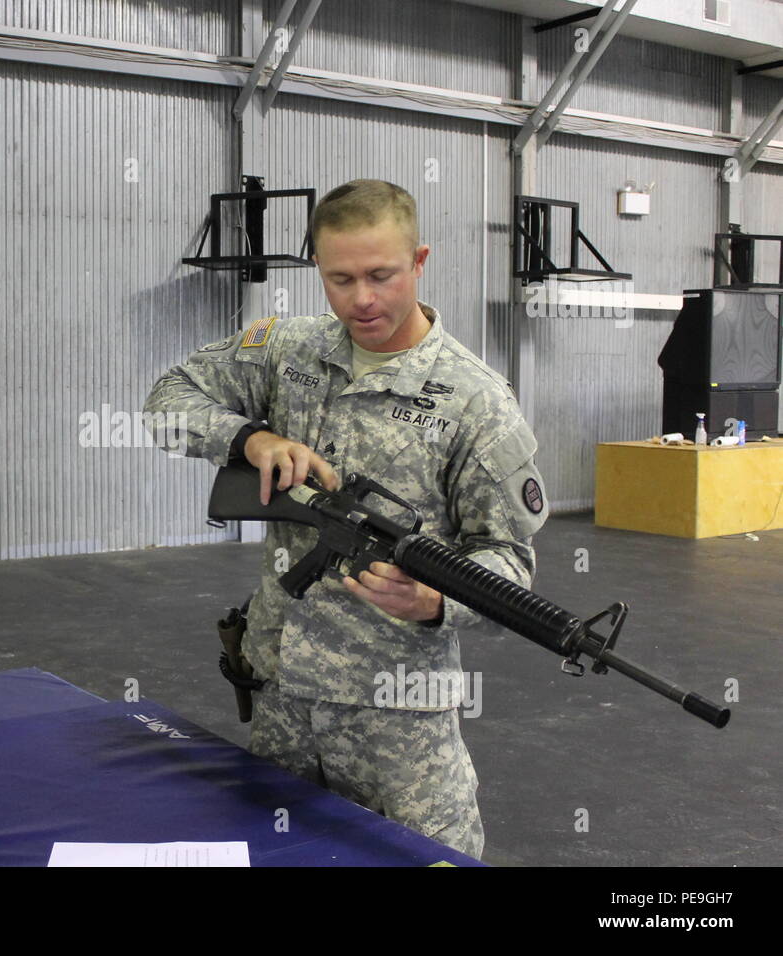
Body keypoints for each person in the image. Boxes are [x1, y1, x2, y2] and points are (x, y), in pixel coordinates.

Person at [144, 179, 549, 858]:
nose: (361, 299)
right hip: (281, 692)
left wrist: (435, 600)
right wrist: (252, 439)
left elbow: (509, 559)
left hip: (399, 714)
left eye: (381, 275)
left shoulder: (477, 401)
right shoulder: (288, 351)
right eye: (340, 279)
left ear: (419, 262)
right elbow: (166, 399)